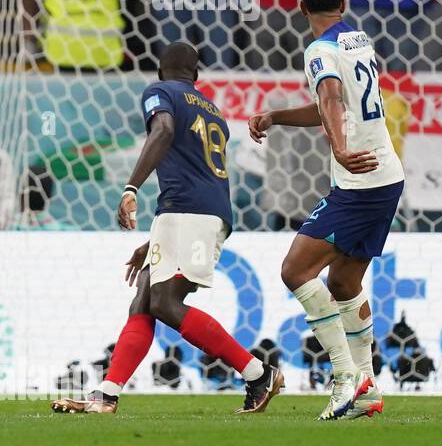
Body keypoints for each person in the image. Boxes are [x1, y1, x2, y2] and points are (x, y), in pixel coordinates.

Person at [51, 42, 283, 415]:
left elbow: (162, 130)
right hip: (190, 213)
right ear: (196, 75)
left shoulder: (159, 93)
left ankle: (257, 372)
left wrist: (131, 188)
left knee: (164, 303)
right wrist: (155, 238)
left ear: (160, 70)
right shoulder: (214, 112)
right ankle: (107, 395)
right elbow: (197, 173)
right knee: (144, 298)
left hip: (187, 214)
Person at [247, 0, 406, 421]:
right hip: (386, 176)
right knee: (342, 283)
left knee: (295, 269)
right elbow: (332, 104)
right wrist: (276, 116)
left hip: (359, 182)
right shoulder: (358, 40)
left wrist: (339, 146)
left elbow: (332, 98)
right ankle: (368, 387)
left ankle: (344, 378)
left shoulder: (318, 50)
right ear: (344, 3)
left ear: (301, 9)